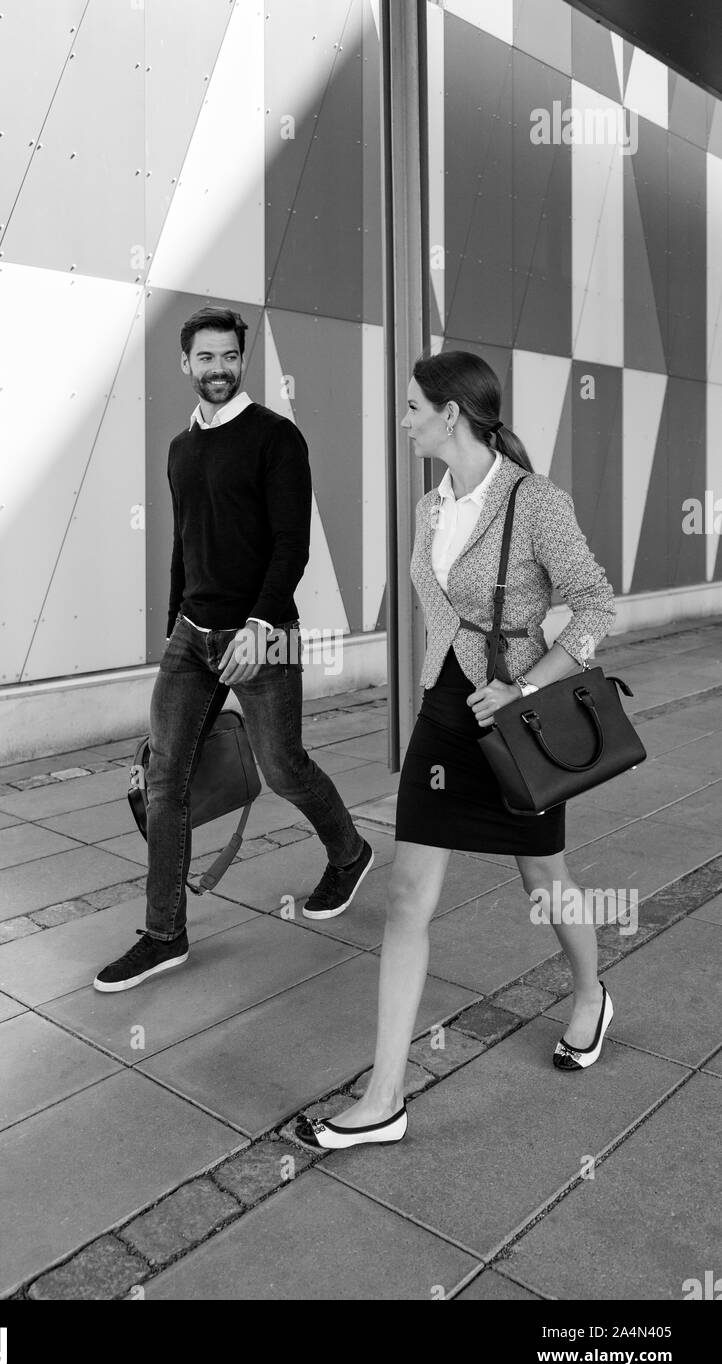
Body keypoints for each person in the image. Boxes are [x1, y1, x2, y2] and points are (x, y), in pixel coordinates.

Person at [296, 350, 618, 1151]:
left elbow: (596, 605)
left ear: (452, 413)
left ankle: (590, 993)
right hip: (447, 713)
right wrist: (453, 686)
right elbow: (442, 613)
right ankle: (385, 1093)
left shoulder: (534, 501)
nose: (402, 421)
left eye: (412, 409)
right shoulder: (430, 506)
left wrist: (525, 687)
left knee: (545, 881)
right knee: (408, 899)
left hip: (517, 715)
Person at [94, 306, 373, 991]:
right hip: (192, 637)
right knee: (165, 780)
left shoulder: (277, 439)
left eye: (229, 356)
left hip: (263, 633)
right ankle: (165, 934)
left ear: (241, 361)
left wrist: (257, 626)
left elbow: (291, 545)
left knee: (282, 767)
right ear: (185, 364)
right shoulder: (181, 449)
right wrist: (171, 628)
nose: (218, 368)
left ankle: (349, 852)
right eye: (205, 358)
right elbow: (184, 544)